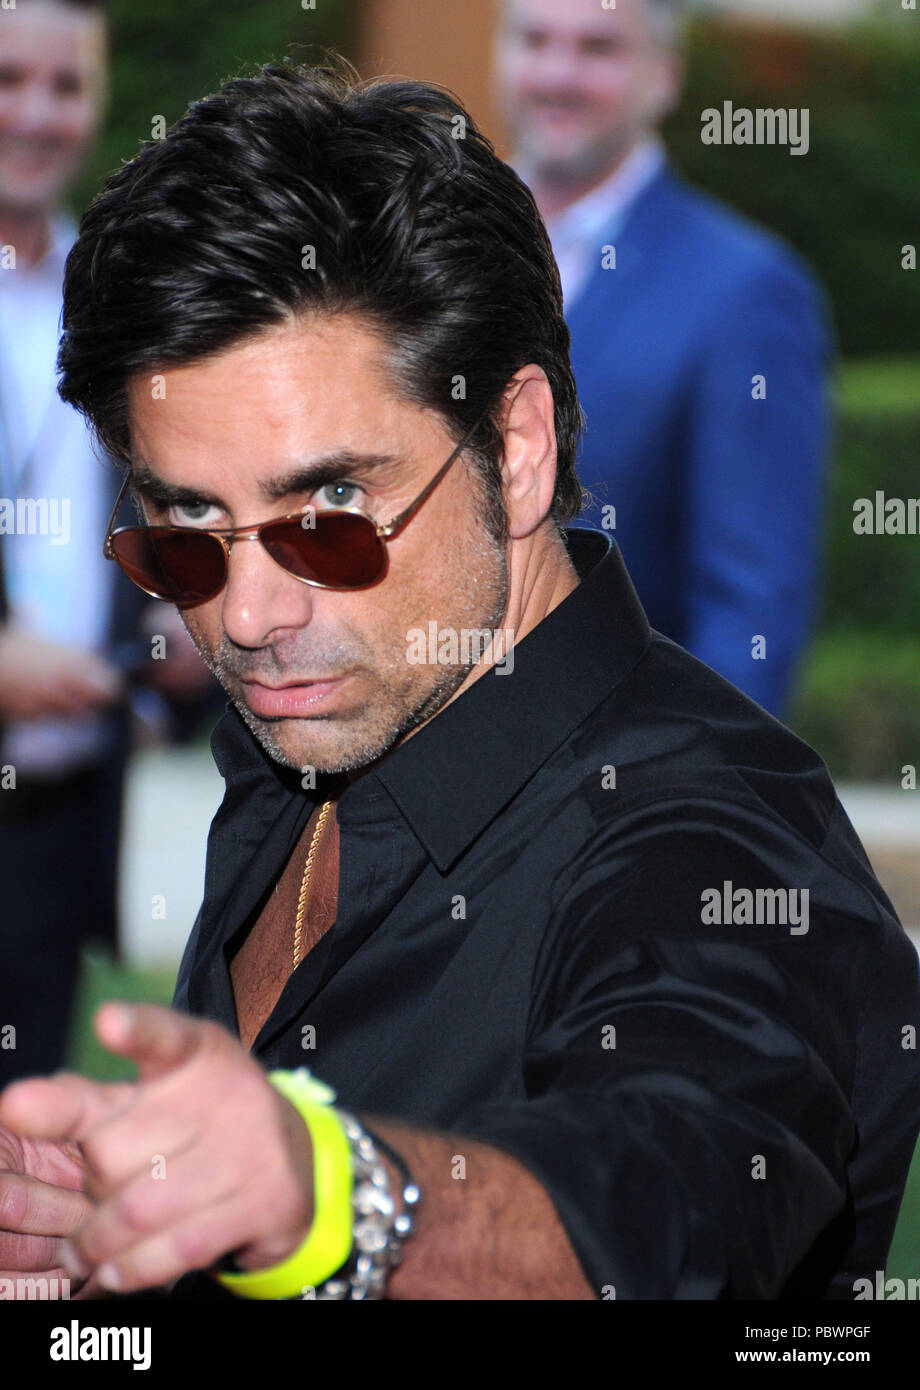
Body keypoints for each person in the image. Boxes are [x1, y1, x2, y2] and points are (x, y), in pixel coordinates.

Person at [0, 58, 916, 1303]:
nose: (252, 615)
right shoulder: (300, 754)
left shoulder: (712, 841)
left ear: (518, 447)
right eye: (184, 532)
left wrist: (337, 1199)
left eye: (329, 511)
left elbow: (666, 1198)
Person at [493, 0, 832, 718]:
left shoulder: (745, 290)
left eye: (599, 48)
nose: (558, 73)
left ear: (664, 76)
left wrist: (697, 805)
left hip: (602, 786)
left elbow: (751, 605)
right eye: (535, 39)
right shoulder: (412, 248)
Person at [0, 0, 216, 1085]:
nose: (38, 113)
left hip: (58, 827)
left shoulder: (116, 299)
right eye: (10, 79)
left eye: (67, 85)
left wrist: (178, 613)